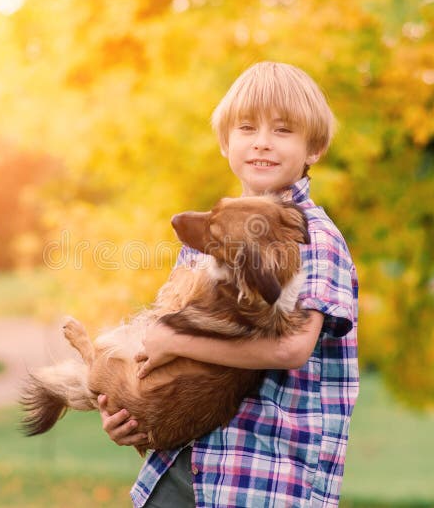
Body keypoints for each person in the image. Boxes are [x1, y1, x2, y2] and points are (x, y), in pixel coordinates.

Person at [98, 61, 359, 507]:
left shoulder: (311, 236)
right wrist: (126, 404)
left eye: (282, 130)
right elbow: (159, 341)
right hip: (181, 467)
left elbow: (292, 348)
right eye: (246, 128)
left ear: (313, 148)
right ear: (225, 142)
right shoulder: (207, 238)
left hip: (262, 476)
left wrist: (174, 341)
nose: (261, 142)